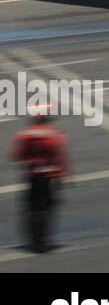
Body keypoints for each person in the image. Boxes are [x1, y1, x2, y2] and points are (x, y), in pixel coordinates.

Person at [8, 103, 69, 253]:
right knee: (47, 208)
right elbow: (61, 158)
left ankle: (33, 240)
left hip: (32, 176)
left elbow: (16, 155)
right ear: (45, 117)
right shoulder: (55, 133)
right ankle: (43, 239)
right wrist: (62, 176)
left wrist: (31, 160)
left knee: (31, 208)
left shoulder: (24, 134)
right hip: (49, 177)